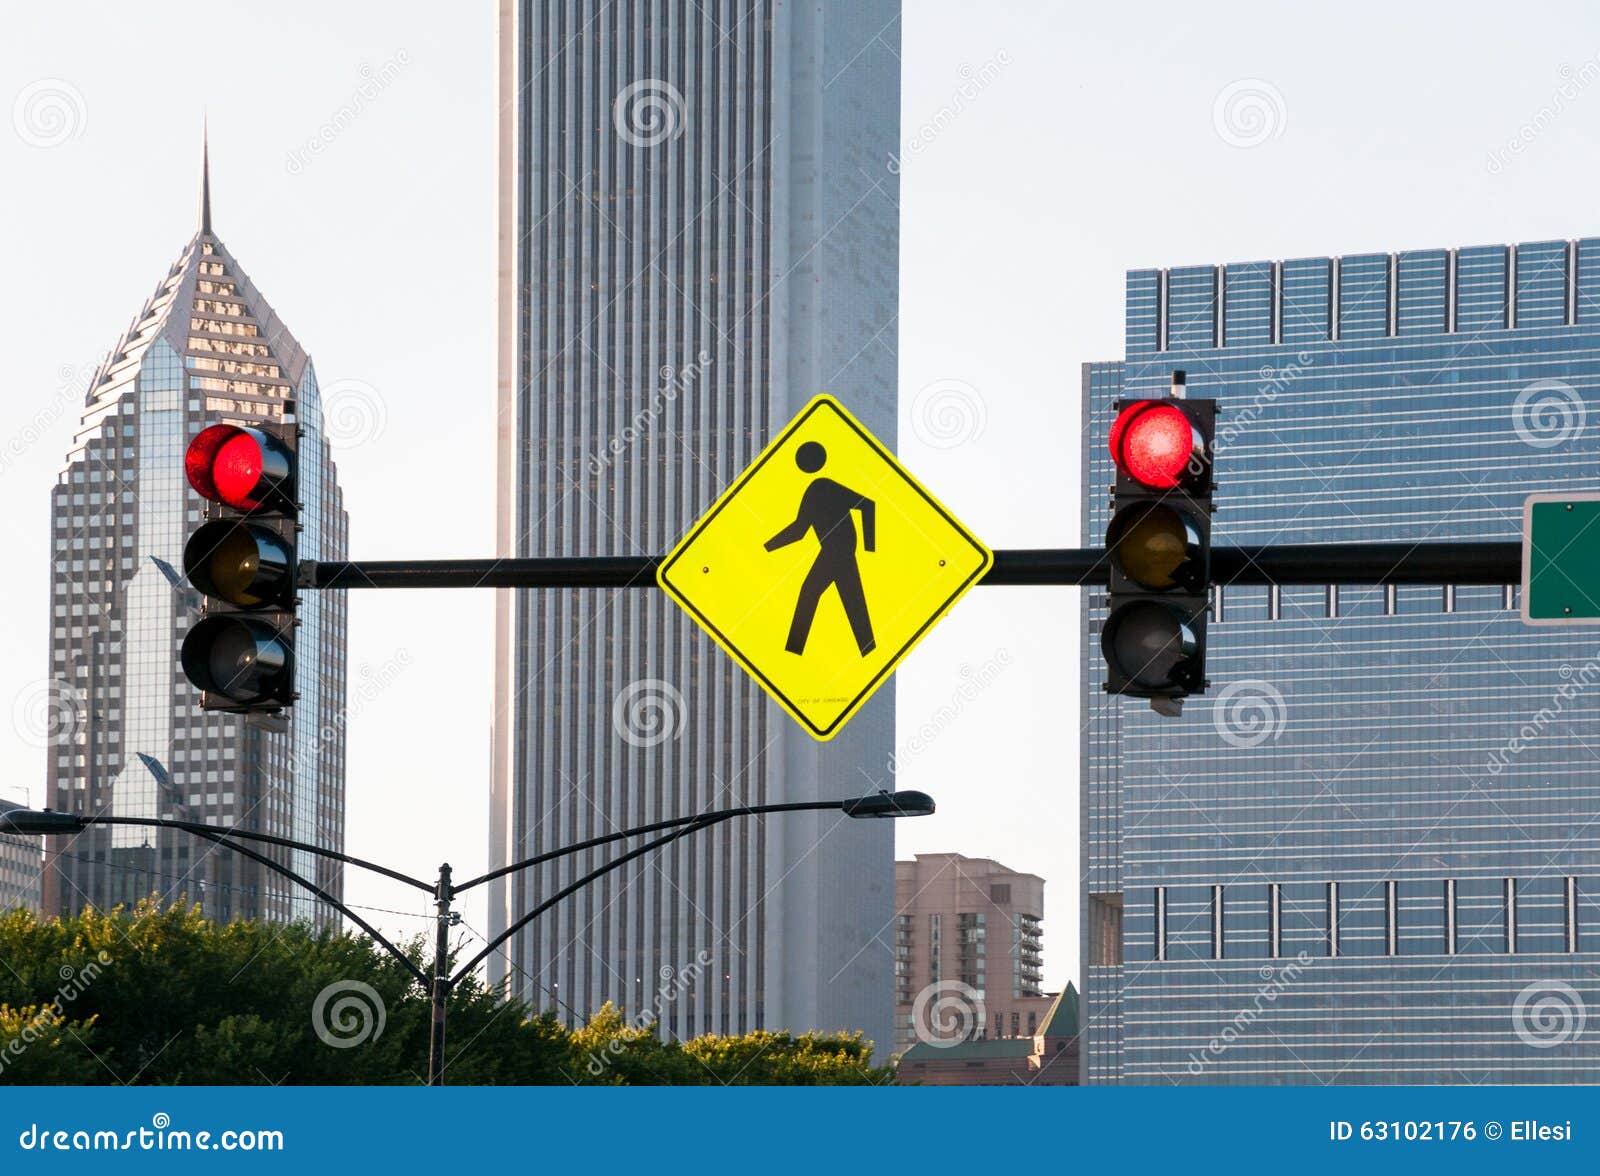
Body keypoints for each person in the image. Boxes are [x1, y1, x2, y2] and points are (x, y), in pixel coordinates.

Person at [764, 441, 876, 656]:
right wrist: (768, 547)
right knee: (853, 602)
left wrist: (869, 548)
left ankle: (794, 652)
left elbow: (868, 505)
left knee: (810, 592)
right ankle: (868, 650)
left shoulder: (823, 486)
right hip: (836, 552)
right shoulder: (815, 489)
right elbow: (799, 530)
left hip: (838, 551)